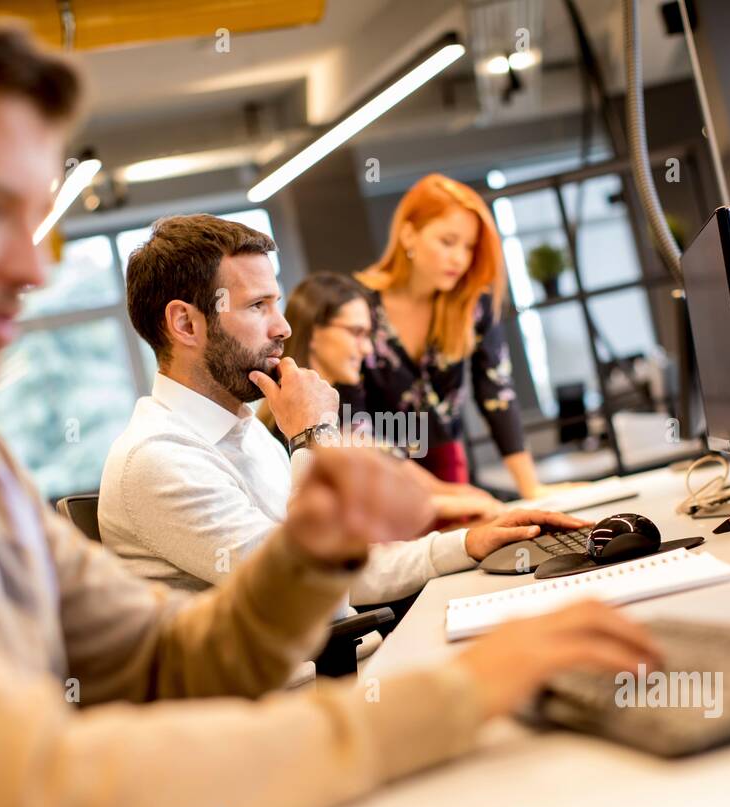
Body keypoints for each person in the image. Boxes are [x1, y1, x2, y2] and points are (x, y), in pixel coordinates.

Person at [0, 7, 658, 807]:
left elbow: (168, 663)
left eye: (32, 218)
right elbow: (34, 790)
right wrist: (452, 697)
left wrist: (312, 552)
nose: (29, 272)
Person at [98, 217, 585, 604]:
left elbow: (348, 571)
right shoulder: (158, 461)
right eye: (258, 306)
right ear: (185, 322)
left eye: (278, 303)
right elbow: (314, 591)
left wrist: (466, 544)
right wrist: (311, 436)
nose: (284, 326)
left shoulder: (242, 434)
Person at [350, 173, 591, 499]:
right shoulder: (356, 308)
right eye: (448, 242)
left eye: (469, 247)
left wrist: (530, 487)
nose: (460, 259)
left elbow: (496, 393)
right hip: (378, 479)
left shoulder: (473, 306)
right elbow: (351, 422)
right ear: (408, 235)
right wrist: (437, 495)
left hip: (449, 467)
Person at [259, 270, 503, 527]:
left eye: (369, 335)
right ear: (314, 332)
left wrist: (461, 495)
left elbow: (390, 466)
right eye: (356, 332)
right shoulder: (290, 421)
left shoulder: (346, 402)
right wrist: (454, 503)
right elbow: (360, 508)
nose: (367, 349)